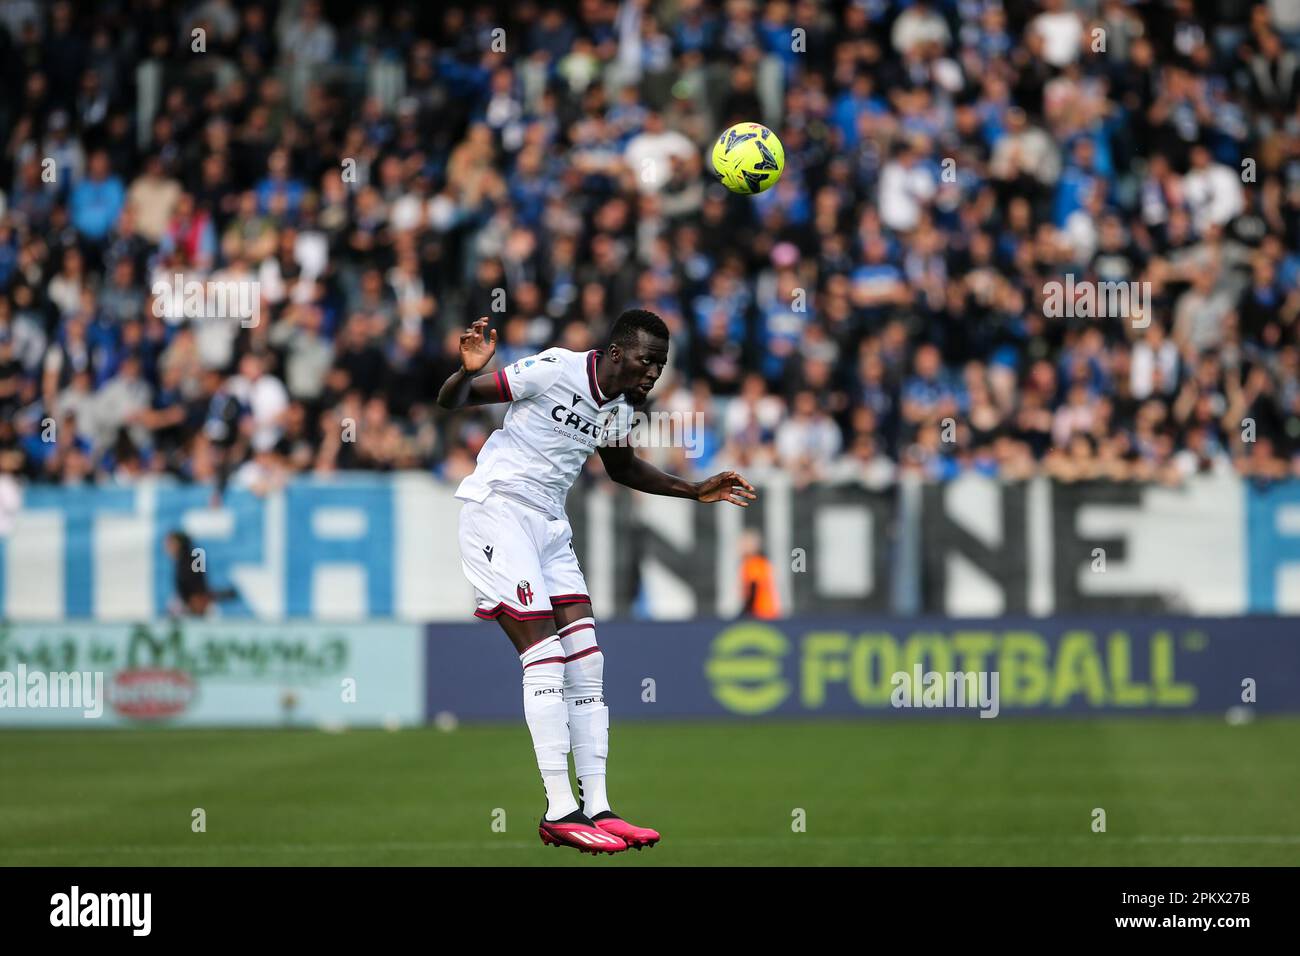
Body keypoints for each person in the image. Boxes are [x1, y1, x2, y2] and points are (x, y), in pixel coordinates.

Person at [438, 309, 757, 854]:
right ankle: (559, 810)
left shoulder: (624, 405)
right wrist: (465, 371)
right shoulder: (555, 369)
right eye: (646, 360)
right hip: (498, 509)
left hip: (548, 524)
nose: (654, 372)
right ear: (615, 353)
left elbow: (621, 468)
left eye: (661, 364)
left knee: (588, 661)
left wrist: (694, 488)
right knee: (545, 657)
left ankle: (599, 807)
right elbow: (455, 399)